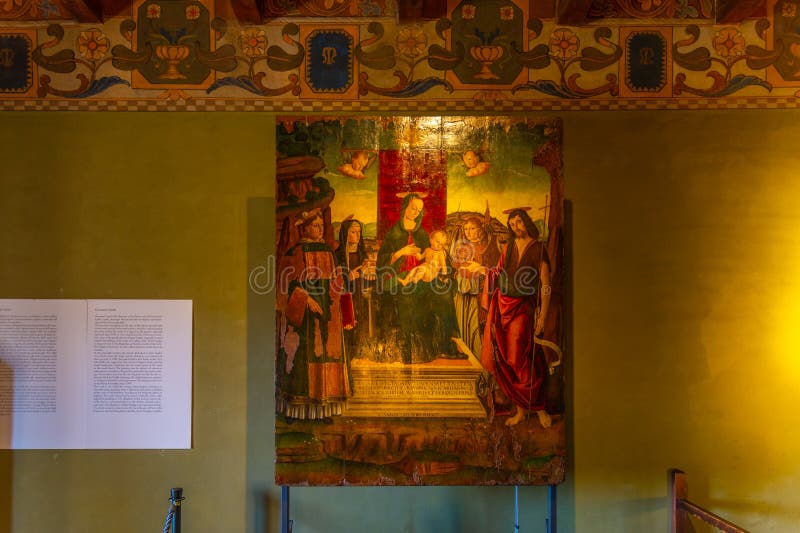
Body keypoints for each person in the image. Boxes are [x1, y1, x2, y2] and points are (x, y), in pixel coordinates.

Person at [479, 208, 552, 428]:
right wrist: (483, 271)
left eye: (519, 222)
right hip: (503, 305)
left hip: (523, 307)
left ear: (527, 223)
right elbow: (498, 272)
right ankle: (521, 410)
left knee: (517, 356)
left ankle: (539, 408)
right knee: (508, 358)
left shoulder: (538, 249)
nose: (515, 227)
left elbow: (546, 286)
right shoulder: (509, 246)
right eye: (512, 224)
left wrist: (543, 317)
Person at [277, 209, 350, 421]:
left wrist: (342, 310)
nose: (319, 230)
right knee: (302, 357)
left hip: (328, 314)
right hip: (304, 318)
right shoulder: (295, 252)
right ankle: (298, 411)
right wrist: (305, 299)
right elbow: (286, 285)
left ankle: (322, 408)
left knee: (327, 354)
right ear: (305, 227)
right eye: (315, 226)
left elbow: (337, 281)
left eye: (321, 226)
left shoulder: (328, 251)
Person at [453, 215, 500, 359]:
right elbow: (456, 266)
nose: (468, 231)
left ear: (480, 229)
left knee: (476, 327)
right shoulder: (462, 246)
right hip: (463, 293)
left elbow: (497, 271)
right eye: (466, 229)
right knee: (462, 325)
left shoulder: (489, 246)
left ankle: (479, 358)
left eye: (472, 228)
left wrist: (481, 269)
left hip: (480, 294)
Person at [335, 217, 373, 358]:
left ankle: (359, 352)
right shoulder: (338, 255)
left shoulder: (363, 254)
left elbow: (369, 277)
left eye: (359, 232)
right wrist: (347, 276)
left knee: (360, 321)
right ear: (345, 234)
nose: (357, 235)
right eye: (353, 232)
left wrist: (368, 272)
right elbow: (333, 278)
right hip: (346, 296)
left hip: (360, 293)